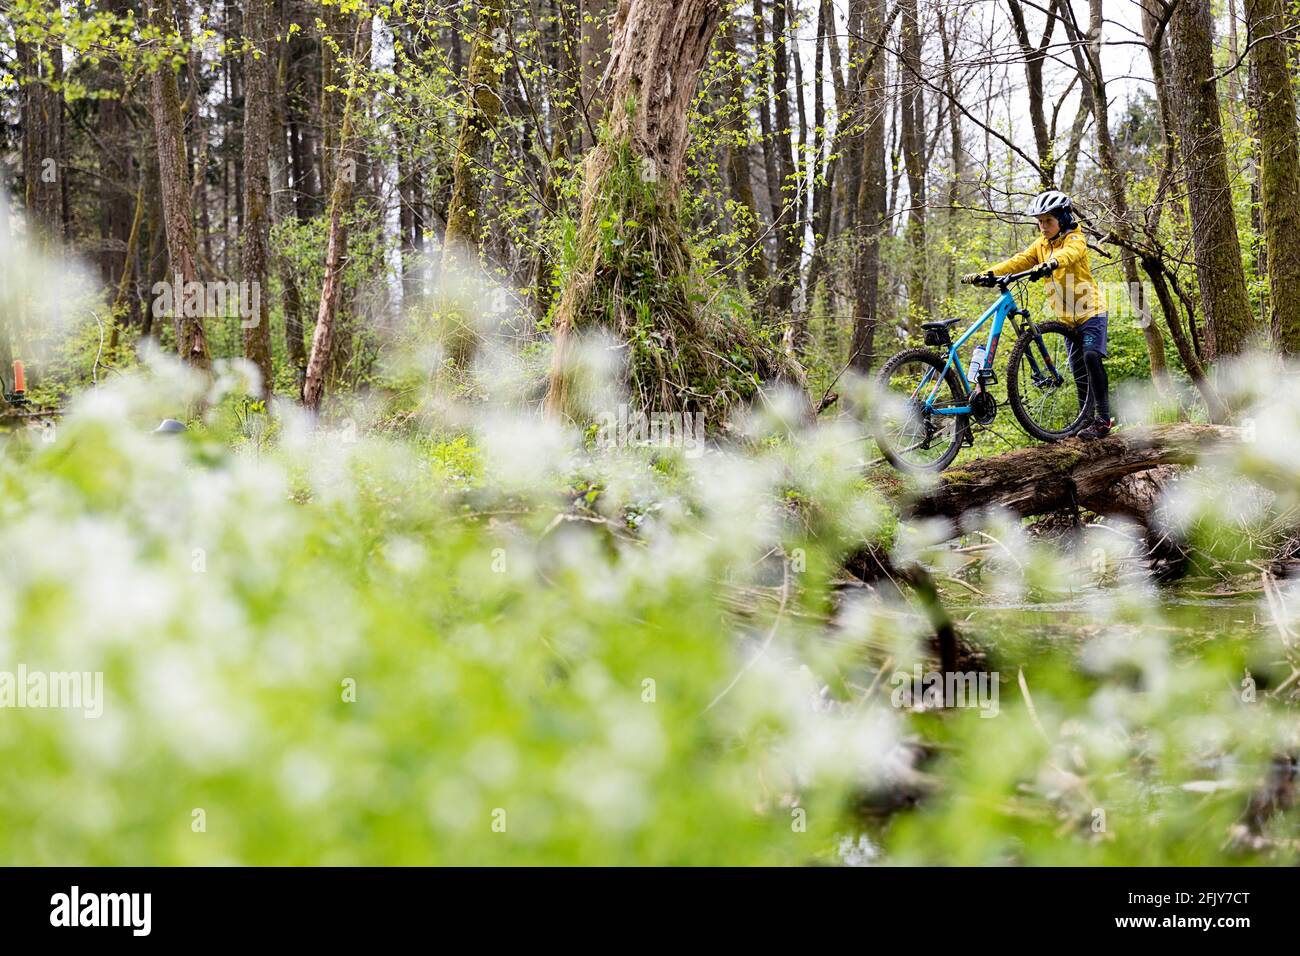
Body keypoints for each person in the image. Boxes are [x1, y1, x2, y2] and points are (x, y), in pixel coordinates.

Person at [961, 190, 1113, 440]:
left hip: (1090, 312)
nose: (1043, 226)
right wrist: (986, 273)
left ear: (1063, 218)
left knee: (1091, 356)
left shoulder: (1076, 238)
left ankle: (1103, 419)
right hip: (1066, 318)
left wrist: (1050, 263)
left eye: (1048, 221)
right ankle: (1086, 421)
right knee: (1077, 371)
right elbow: (1018, 261)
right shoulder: (1041, 245)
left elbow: (1069, 254)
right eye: (1040, 222)